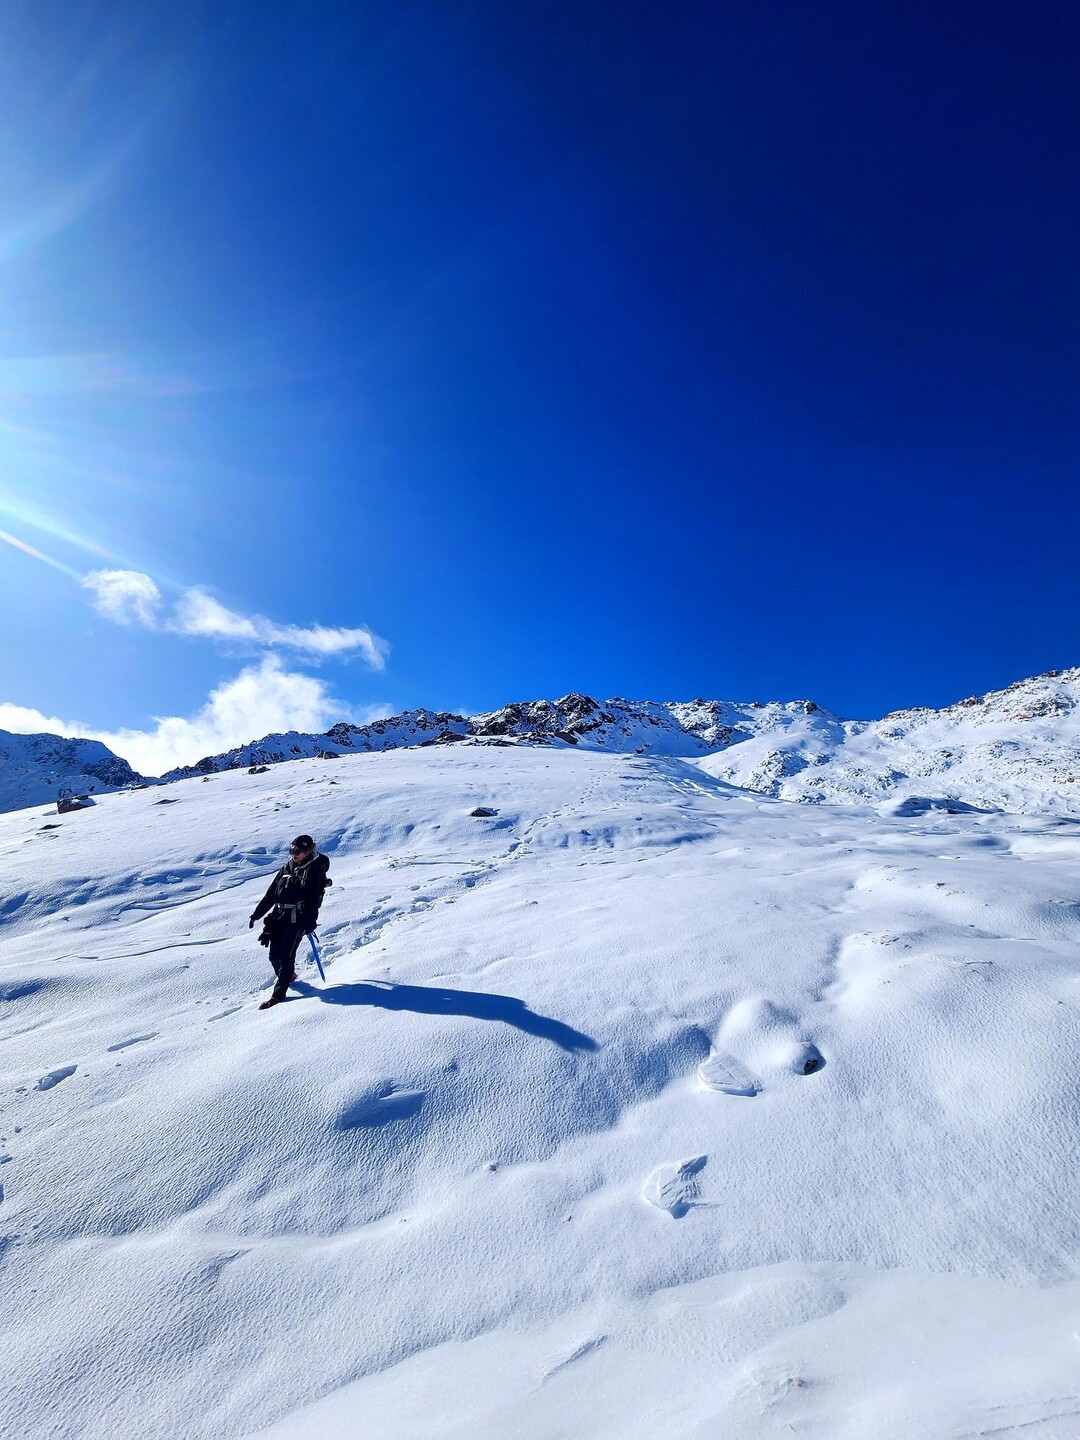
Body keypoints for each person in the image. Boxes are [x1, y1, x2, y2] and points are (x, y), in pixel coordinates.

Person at [249, 835, 332, 1010]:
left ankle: (278, 995)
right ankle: (288, 976)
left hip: (298, 920)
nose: (294, 854)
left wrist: (310, 922)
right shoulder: (287, 867)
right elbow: (271, 894)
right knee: (274, 956)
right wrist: (256, 914)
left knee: (287, 957)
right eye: (292, 850)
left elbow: (313, 900)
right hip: (279, 917)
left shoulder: (313, 871)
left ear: (308, 851)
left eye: (297, 851)